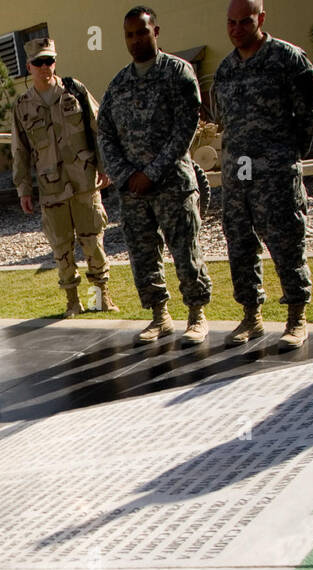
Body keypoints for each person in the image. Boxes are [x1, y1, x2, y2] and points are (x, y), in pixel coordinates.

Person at [98, 6, 213, 346]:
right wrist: (126, 175)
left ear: (156, 32)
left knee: (185, 250)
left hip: (172, 184)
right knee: (143, 254)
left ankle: (197, 315)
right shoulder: (118, 85)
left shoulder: (178, 72)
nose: (135, 40)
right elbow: (105, 134)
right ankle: (160, 316)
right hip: (133, 191)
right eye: (129, 34)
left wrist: (152, 172)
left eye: (141, 32)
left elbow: (185, 127)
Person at [213, 0, 313, 350]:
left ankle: (296, 317)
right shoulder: (225, 69)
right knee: (241, 247)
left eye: (244, 22)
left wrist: (290, 150)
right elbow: (223, 118)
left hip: (275, 174)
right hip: (236, 177)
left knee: (286, 242)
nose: (235, 29)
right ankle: (252, 316)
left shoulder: (287, 59)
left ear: (260, 18)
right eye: (230, 23)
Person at [11, 36, 117, 318]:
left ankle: (100, 297)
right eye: (38, 62)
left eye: (49, 61)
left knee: (93, 242)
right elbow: (19, 150)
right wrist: (23, 188)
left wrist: (105, 166)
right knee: (61, 249)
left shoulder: (74, 91)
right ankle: (72, 301)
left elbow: (98, 129)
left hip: (84, 182)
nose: (45, 67)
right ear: (29, 66)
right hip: (51, 187)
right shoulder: (22, 106)